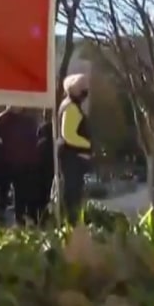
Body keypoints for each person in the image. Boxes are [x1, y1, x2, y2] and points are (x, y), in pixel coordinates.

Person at [0, 106, 42, 226]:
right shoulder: (1, 120)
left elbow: (34, 142)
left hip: (21, 165)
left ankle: (19, 222)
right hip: (6, 164)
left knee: (20, 196)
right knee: (3, 196)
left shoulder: (28, 121)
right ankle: (0, 222)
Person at [56, 74, 93, 224]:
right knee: (73, 193)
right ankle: (71, 223)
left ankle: (71, 222)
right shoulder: (71, 108)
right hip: (72, 157)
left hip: (70, 156)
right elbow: (69, 135)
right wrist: (88, 144)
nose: (85, 91)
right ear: (73, 89)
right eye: (82, 88)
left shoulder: (69, 105)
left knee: (72, 192)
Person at [33, 112, 55, 225]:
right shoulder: (54, 143)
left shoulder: (39, 143)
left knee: (40, 198)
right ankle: (46, 219)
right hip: (51, 171)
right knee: (48, 196)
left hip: (39, 173)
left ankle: (40, 219)